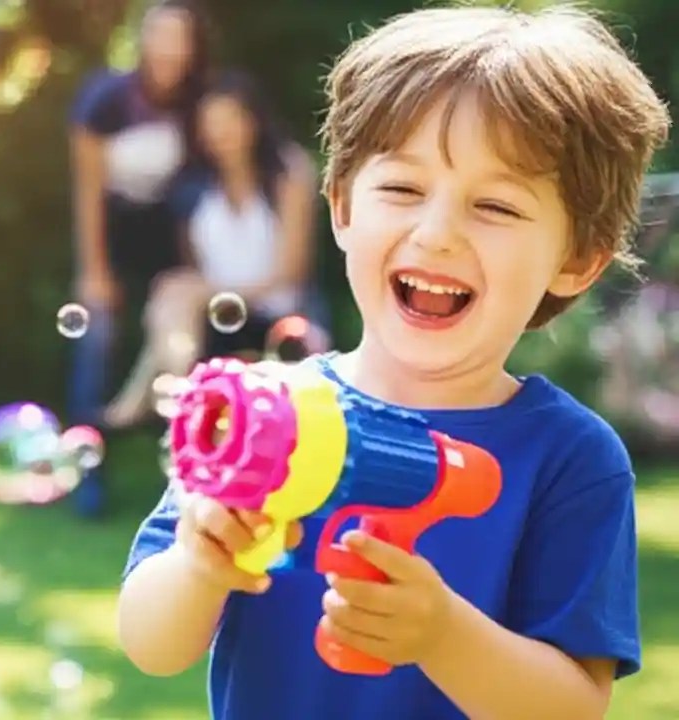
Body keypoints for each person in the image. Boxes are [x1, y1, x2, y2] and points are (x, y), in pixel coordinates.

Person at [116, 6, 669, 720]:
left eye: (495, 206)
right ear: (342, 207)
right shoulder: (263, 418)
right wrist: (198, 565)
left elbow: (571, 706)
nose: (436, 234)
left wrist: (442, 634)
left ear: (577, 259)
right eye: (403, 189)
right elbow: (150, 644)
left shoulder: (571, 459)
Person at [101, 70, 319, 428]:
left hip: (276, 316)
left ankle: (167, 398)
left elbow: (291, 272)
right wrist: (201, 291)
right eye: (210, 123)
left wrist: (210, 292)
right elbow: (196, 270)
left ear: (253, 120)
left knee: (178, 293)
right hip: (216, 321)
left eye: (229, 119)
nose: (220, 133)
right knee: (174, 289)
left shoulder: (287, 173)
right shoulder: (197, 192)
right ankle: (179, 394)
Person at [66, 0, 213, 517]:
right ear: (143, 40)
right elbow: (87, 192)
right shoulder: (106, 100)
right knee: (98, 340)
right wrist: (95, 270)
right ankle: (89, 476)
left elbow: (202, 188)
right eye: (162, 35)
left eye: (181, 36)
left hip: (169, 247)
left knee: (176, 352)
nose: (171, 47)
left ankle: (181, 476)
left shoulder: (198, 103)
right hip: (113, 237)